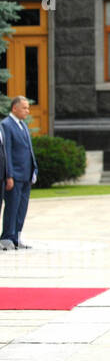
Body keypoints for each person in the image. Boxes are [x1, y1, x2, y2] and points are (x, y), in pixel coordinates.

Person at [0, 96, 32, 249]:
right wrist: (9, 175)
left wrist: (34, 169)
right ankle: (7, 237)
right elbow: (7, 152)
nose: (27, 111)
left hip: (26, 175)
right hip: (15, 175)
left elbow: (28, 150)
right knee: (12, 207)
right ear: (14, 108)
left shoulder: (23, 125)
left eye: (28, 108)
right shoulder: (6, 125)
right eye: (24, 108)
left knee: (22, 208)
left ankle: (17, 237)